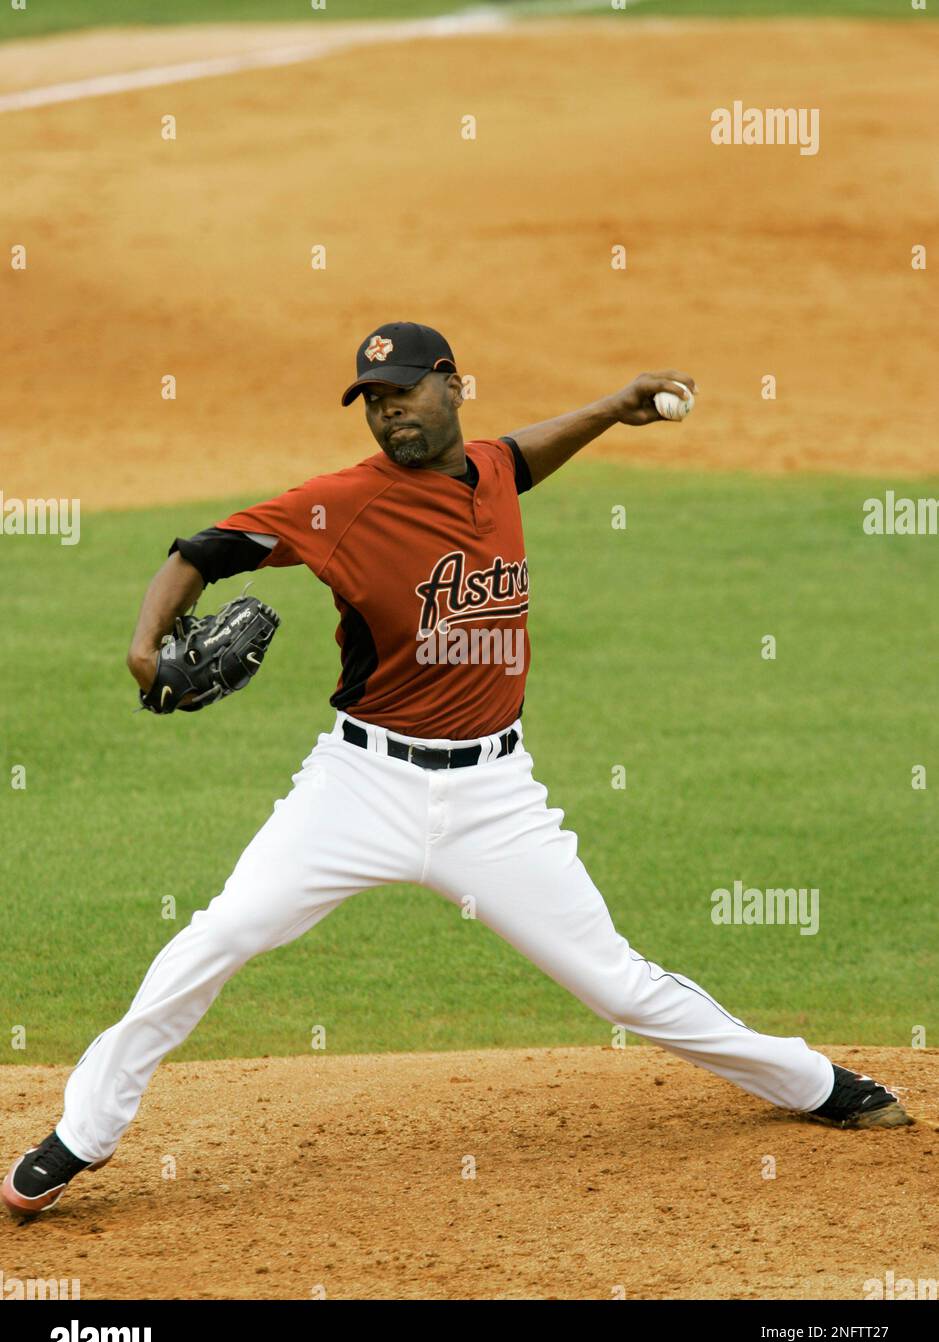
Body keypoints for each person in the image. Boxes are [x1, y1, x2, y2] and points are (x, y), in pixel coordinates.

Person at [2, 322, 911, 1217]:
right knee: (220, 935)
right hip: (358, 788)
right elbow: (204, 549)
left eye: (405, 393)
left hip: (494, 800)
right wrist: (142, 645)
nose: (390, 414)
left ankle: (816, 1082)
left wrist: (611, 407)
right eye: (374, 402)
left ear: (452, 386)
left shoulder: (493, 472)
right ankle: (81, 1135)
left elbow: (518, 455)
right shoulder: (346, 501)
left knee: (617, 985)